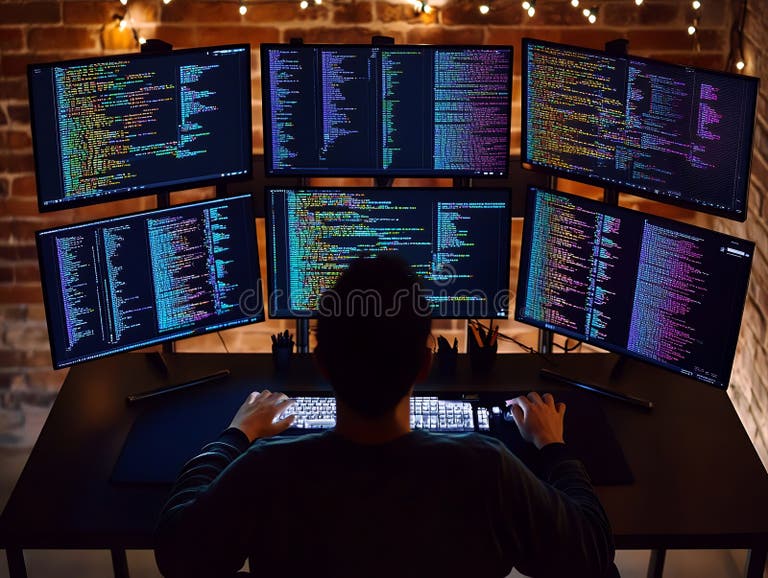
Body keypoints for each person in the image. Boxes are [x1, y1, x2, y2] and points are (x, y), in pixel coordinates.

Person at [154, 255, 617, 578]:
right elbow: (592, 553)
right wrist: (554, 449)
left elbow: (176, 553)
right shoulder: (486, 467)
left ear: (321, 362)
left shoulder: (267, 469)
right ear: (424, 363)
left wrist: (236, 435)